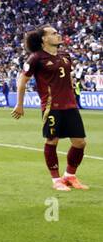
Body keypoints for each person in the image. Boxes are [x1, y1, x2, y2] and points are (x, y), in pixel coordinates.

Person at [13, 24, 89, 190]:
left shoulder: (65, 55)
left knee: (80, 142)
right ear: (44, 39)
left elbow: (68, 78)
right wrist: (19, 104)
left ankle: (70, 175)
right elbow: (22, 81)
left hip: (70, 105)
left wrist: (73, 96)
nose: (58, 35)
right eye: (54, 33)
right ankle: (56, 180)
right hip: (51, 106)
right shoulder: (35, 58)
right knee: (52, 141)